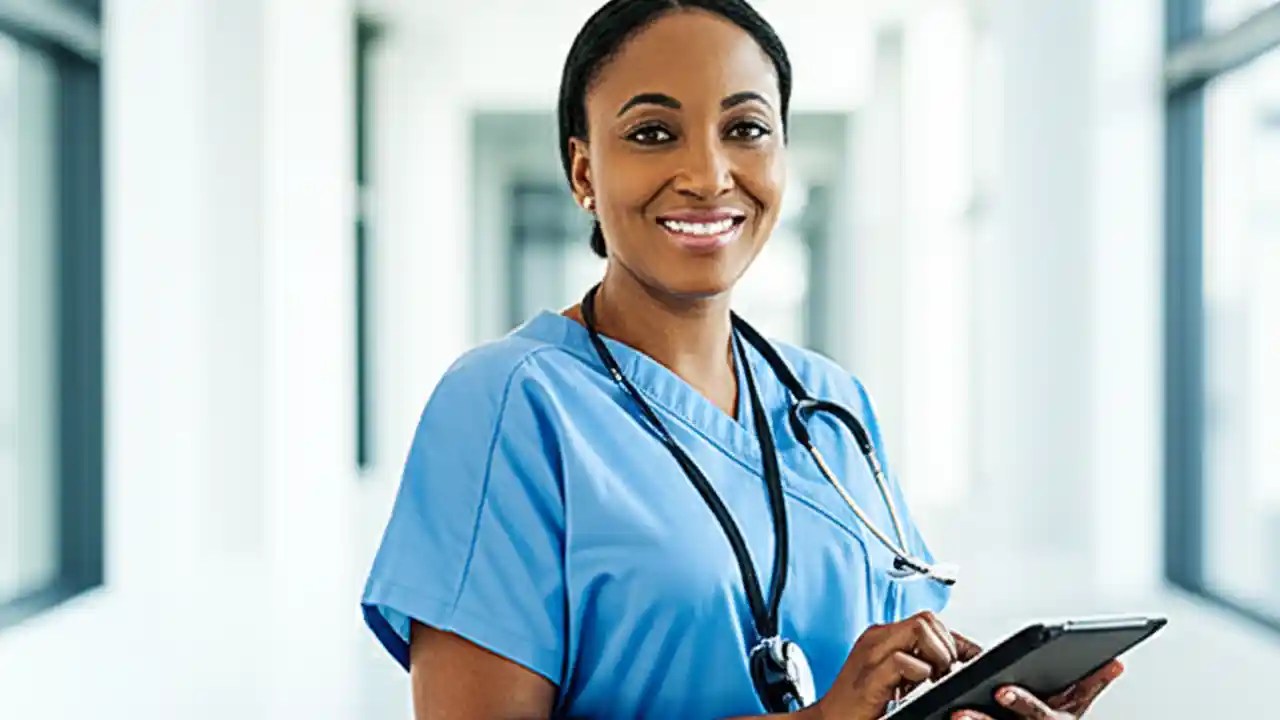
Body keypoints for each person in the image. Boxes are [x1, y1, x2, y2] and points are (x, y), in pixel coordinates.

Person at [360, 1, 1124, 718]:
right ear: (584, 172)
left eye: (746, 129)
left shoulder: (831, 405)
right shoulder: (509, 403)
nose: (708, 175)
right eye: (653, 133)